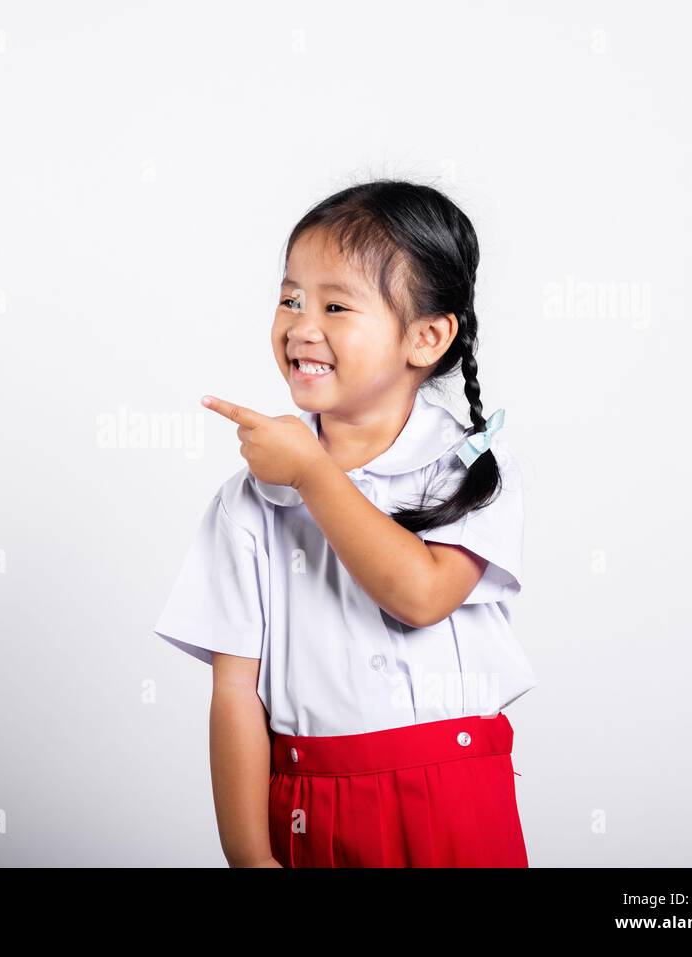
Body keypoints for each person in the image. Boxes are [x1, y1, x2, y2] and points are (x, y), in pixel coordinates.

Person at [152, 180, 536, 867]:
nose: (302, 325)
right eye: (290, 298)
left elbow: (421, 594)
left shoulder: (467, 467)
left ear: (426, 336)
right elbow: (236, 691)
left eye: (335, 305)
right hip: (309, 805)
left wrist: (312, 474)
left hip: (453, 795)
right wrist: (249, 854)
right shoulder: (249, 502)